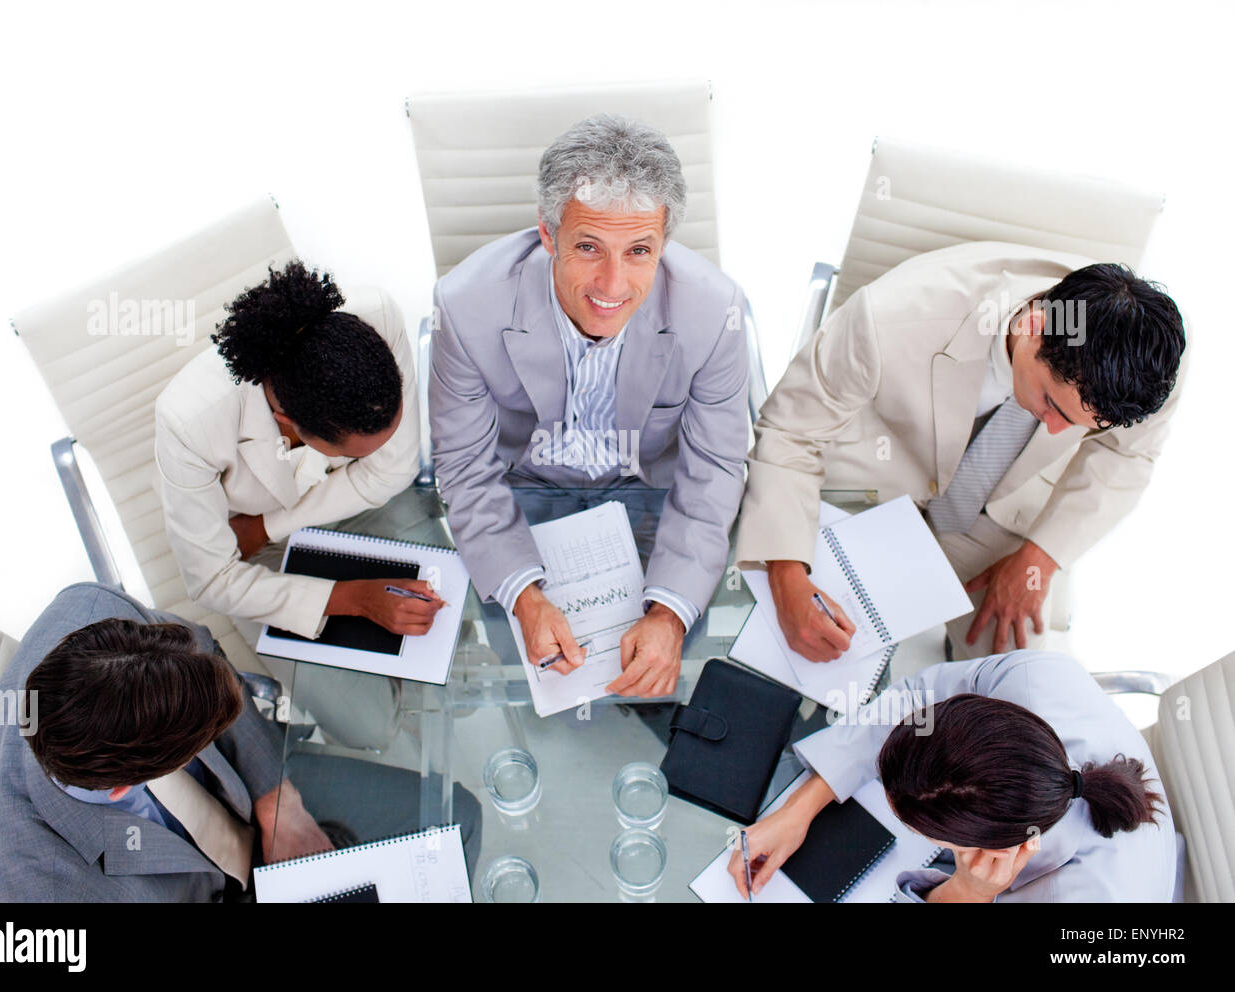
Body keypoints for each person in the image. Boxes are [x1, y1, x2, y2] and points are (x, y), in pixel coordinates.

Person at [429, 114, 751, 698]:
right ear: (548, 235)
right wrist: (525, 596)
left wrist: (669, 613)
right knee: (520, 655)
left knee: (676, 645)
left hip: (647, 491)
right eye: (587, 247)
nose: (613, 282)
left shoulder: (715, 311)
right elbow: (464, 469)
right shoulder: (465, 304)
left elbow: (715, 472)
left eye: (639, 251)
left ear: (665, 244)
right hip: (525, 489)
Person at [737, 246, 1186, 661]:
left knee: (1015, 676)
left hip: (997, 510)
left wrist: (1038, 557)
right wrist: (785, 575)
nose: (1054, 429)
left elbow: (1127, 457)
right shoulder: (893, 314)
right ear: (1034, 326)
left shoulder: (1149, 369)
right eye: (1052, 403)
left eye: (1079, 425)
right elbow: (791, 430)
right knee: (781, 635)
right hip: (877, 478)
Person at [0, 583, 481, 902]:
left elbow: (201, 644)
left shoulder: (90, 610)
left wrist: (278, 803)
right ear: (128, 786)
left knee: (460, 819)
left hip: (248, 786)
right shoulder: (25, 892)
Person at [729, 650, 1176, 902]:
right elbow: (916, 700)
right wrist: (800, 808)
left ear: (987, 848)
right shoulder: (1035, 678)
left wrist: (969, 892)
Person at [155, 259, 440, 644]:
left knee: (440, 615)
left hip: (343, 506)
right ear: (287, 421)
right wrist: (353, 599)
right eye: (353, 449)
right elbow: (212, 580)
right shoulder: (189, 423)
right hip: (250, 549)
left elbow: (394, 470)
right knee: (356, 696)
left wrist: (266, 527)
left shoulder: (376, 320)